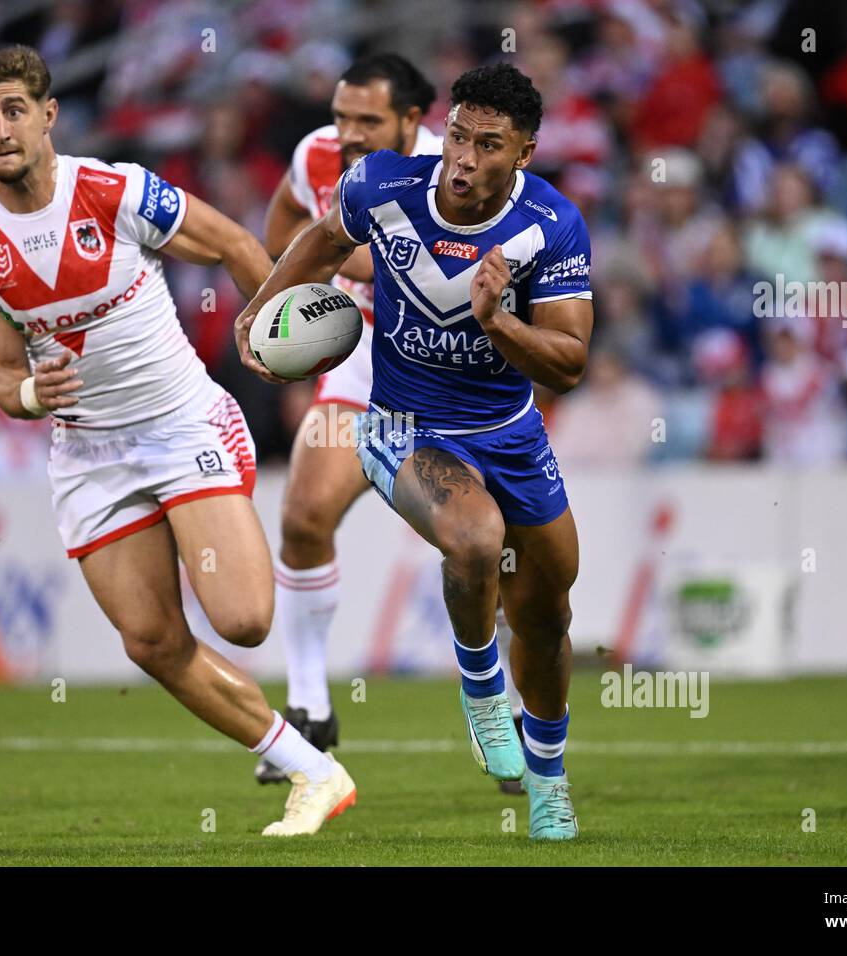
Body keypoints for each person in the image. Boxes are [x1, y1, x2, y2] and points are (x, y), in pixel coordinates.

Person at [0, 46, 354, 836]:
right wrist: (30, 393)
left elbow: (233, 242)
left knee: (241, 621)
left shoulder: (115, 189)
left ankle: (303, 741)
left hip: (179, 426)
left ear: (48, 114)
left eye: (13, 109)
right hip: (90, 455)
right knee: (152, 641)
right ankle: (314, 770)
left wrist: (278, 337)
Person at [236, 63, 592, 841]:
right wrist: (259, 314)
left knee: (548, 610)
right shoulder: (383, 187)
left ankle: (549, 777)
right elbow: (320, 240)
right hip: (403, 425)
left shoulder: (552, 224)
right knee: (473, 540)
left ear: (524, 152)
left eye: (488, 145)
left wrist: (499, 323)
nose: (464, 159)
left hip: (510, 434)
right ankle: (480, 688)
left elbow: (568, 362)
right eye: (459, 136)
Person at [254, 52, 442, 784]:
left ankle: (518, 707)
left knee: (489, 551)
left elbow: (414, 269)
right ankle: (309, 707)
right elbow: (283, 226)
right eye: (342, 116)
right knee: (303, 517)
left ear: (411, 121)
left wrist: (337, 262)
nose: (350, 133)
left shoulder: (453, 170)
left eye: (369, 120)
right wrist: (306, 292)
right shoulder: (316, 156)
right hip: (364, 369)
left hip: (446, 374)